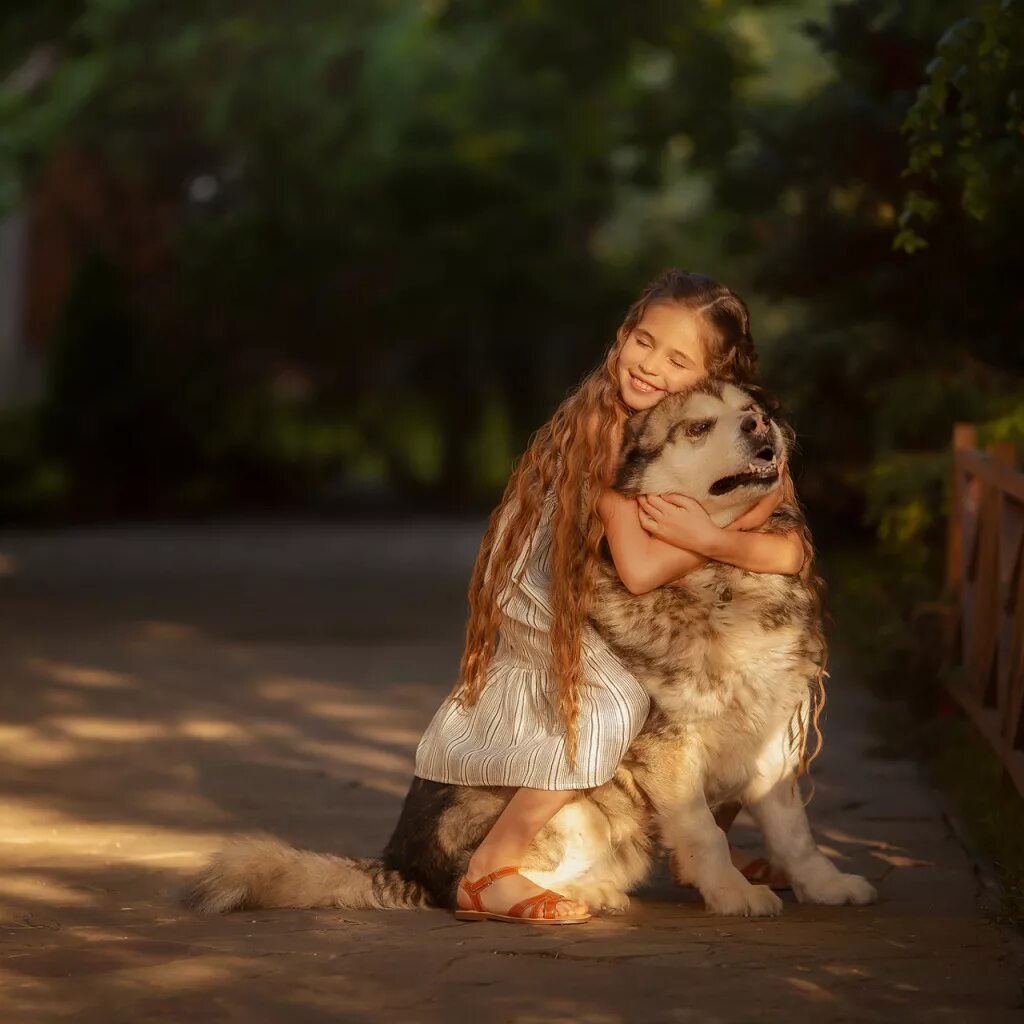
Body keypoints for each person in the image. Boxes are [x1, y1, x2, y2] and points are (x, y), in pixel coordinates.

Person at [414, 269, 805, 924]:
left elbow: (792, 548)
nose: (649, 366)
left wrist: (727, 533)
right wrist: (724, 530)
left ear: (714, 375)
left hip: (605, 580)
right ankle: (489, 871)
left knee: (722, 685)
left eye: (678, 359)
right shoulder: (608, 427)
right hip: (544, 586)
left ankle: (699, 851)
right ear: (623, 336)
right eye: (644, 341)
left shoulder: (728, 423)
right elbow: (642, 567)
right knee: (615, 700)